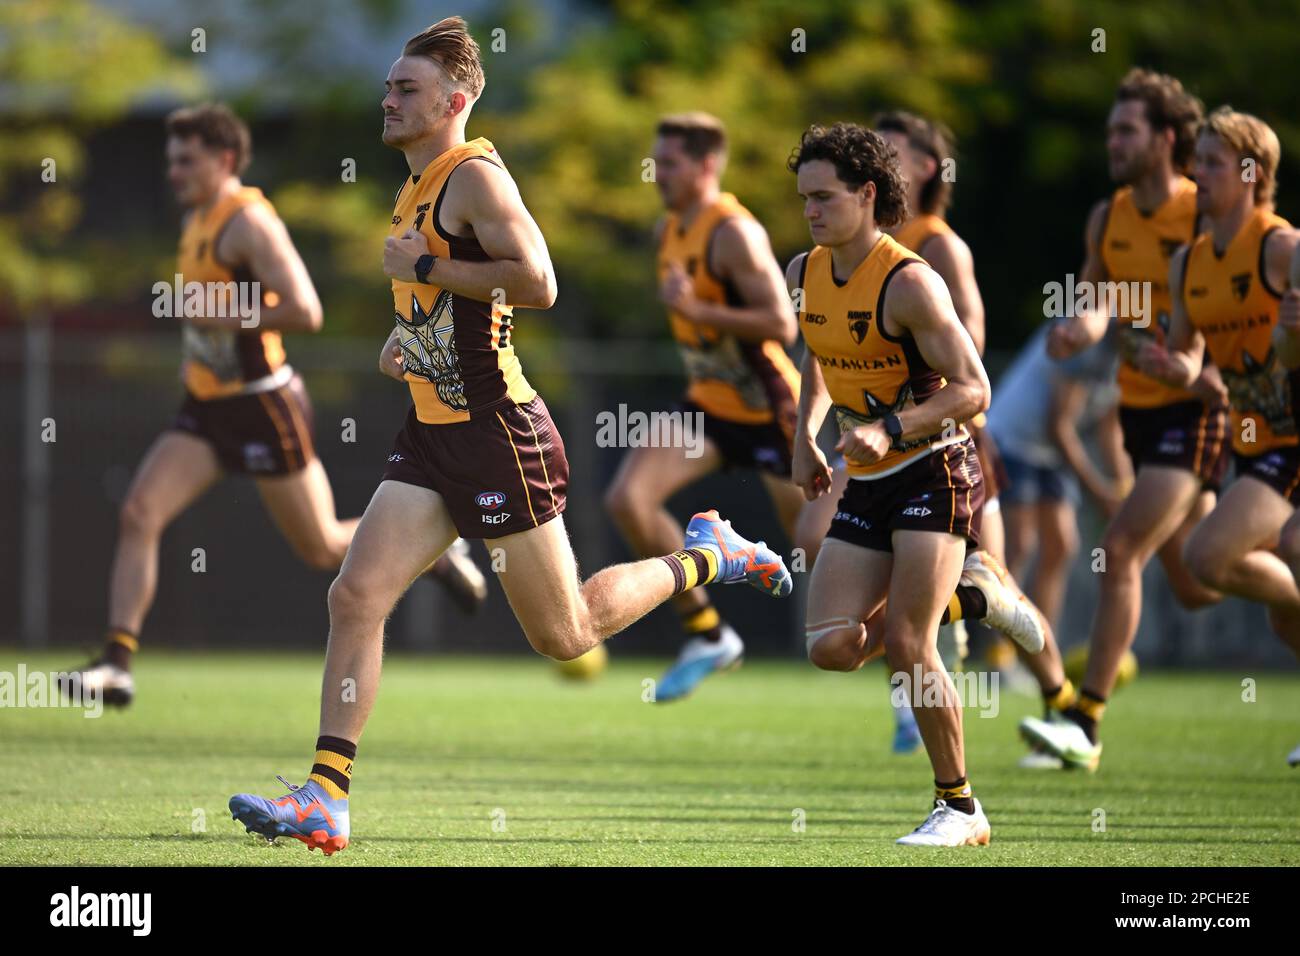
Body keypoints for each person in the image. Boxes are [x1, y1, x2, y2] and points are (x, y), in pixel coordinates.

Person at [227, 18, 791, 855]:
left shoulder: (474, 178)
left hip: (501, 435)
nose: (387, 100)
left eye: (404, 89)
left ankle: (710, 554)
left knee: (565, 637)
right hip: (432, 435)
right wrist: (411, 336)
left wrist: (423, 271)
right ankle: (326, 797)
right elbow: (449, 309)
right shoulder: (415, 186)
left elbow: (540, 282)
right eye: (387, 87)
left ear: (453, 102)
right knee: (354, 595)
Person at [62, 103, 484, 708]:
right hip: (208, 407)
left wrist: (225, 319)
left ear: (224, 160)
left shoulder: (248, 221)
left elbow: (305, 309)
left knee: (318, 545)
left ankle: (438, 553)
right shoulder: (198, 220)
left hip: (263, 404)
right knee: (139, 511)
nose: (174, 172)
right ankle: (117, 665)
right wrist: (200, 351)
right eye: (171, 161)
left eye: (186, 160)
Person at [788, 122, 1044, 847]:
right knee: (832, 646)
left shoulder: (910, 281)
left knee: (907, 641)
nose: (810, 211)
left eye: (825, 197)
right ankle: (979, 596)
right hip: (866, 480)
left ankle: (960, 808)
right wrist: (805, 436)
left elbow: (975, 388)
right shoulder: (802, 272)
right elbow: (817, 352)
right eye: (804, 197)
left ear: (868, 195)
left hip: (935, 470)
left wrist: (892, 430)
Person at [1024, 71, 1226, 770]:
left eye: (1127, 130)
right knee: (1202, 580)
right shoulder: (1107, 216)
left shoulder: (1207, 209)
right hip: (1140, 416)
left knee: (1120, 547)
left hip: (1198, 408)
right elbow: (1097, 297)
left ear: (1166, 139)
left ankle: (1084, 721)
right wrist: (1081, 328)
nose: (1113, 141)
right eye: (1111, 130)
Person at [604, 112, 803, 702]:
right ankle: (707, 632)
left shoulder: (732, 231)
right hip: (709, 407)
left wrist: (701, 313)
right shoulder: (671, 228)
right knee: (628, 500)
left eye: (670, 163)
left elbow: (781, 323)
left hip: (771, 409)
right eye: (657, 161)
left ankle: (914, 677)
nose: (658, 173)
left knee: (822, 550)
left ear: (707, 165)